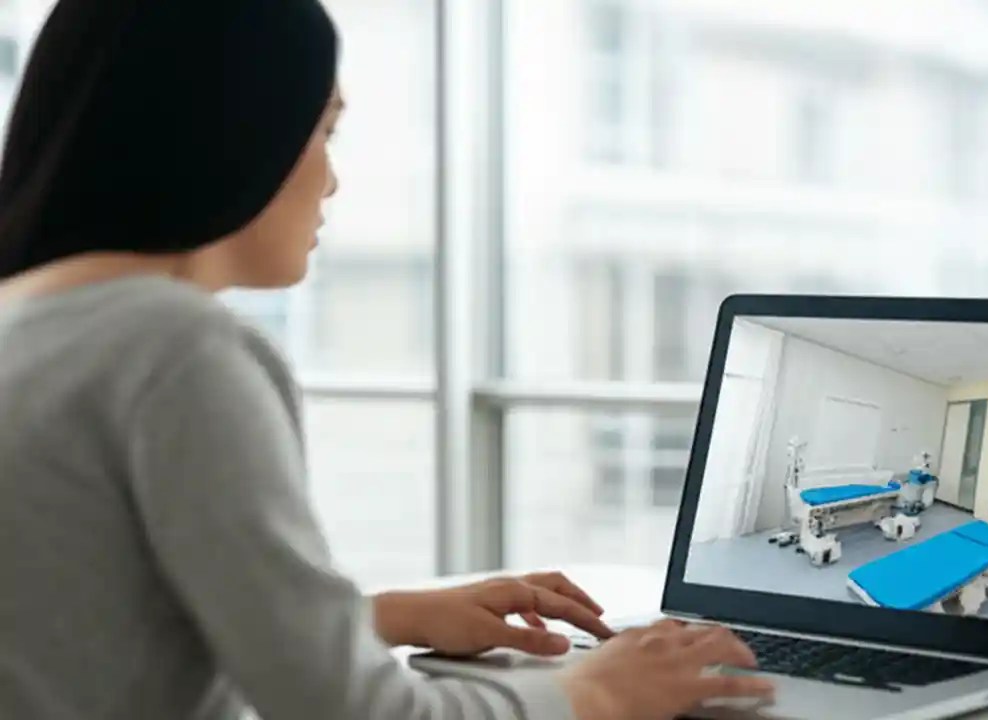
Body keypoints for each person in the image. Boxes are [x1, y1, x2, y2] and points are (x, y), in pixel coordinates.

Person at [0, 1, 774, 718]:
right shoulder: (171, 347)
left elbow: (83, 631)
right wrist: (593, 694)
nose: (331, 180)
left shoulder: (27, 323)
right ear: (237, 125)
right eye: (325, 132)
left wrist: (381, 617)